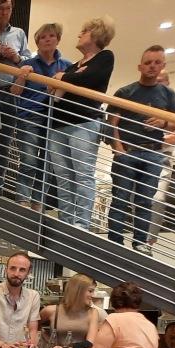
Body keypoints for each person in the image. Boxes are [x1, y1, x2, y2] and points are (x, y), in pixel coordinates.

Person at [107, 46, 175, 253]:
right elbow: (111, 122)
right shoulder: (125, 92)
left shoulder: (167, 93)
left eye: (157, 62)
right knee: (120, 199)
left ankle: (140, 243)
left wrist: (164, 124)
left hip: (153, 153)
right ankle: (114, 242)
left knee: (145, 201)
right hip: (128, 152)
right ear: (140, 66)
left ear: (163, 65)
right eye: (148, 62)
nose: (152, 66)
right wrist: (119, 148)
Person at [47, 16, 115, 229]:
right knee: (63, 177)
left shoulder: (105, 57)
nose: (79, 34)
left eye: (83, 31)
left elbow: (90, 79)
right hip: (58, 124)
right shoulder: (75, 65)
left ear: (95, 34)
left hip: (83, 123)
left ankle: (81, 224)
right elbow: (54, 92)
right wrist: (66, 78)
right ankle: (67, 222)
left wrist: (63, 78)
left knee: (83, 175)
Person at [11, 24, 71, 211]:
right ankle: (22, 199)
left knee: (48, 163)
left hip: (54, 119)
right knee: (29, 159)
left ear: (58, 39)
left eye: (51, 36)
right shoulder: (28, 64)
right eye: (43, 37)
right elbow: (14, 91)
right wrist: (22, 76)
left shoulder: (66, 66)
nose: (47, 39)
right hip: (29, 115)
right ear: (37, 42)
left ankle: (38, 202)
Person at [0, 0, 30, 197]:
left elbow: (29, 62)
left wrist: (16, 58)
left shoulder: (18, 33)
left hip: (7, 92)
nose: (4, 12)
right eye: (0, 8)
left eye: (8, 8)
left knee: (3, 142)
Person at [38, 273, 106, 344]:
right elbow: (33, 327)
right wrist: (49, 341)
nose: (93, 295)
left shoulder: (93, 313)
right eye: (90, 291)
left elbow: (89, 343)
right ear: (78, 291)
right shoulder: (51, 311)